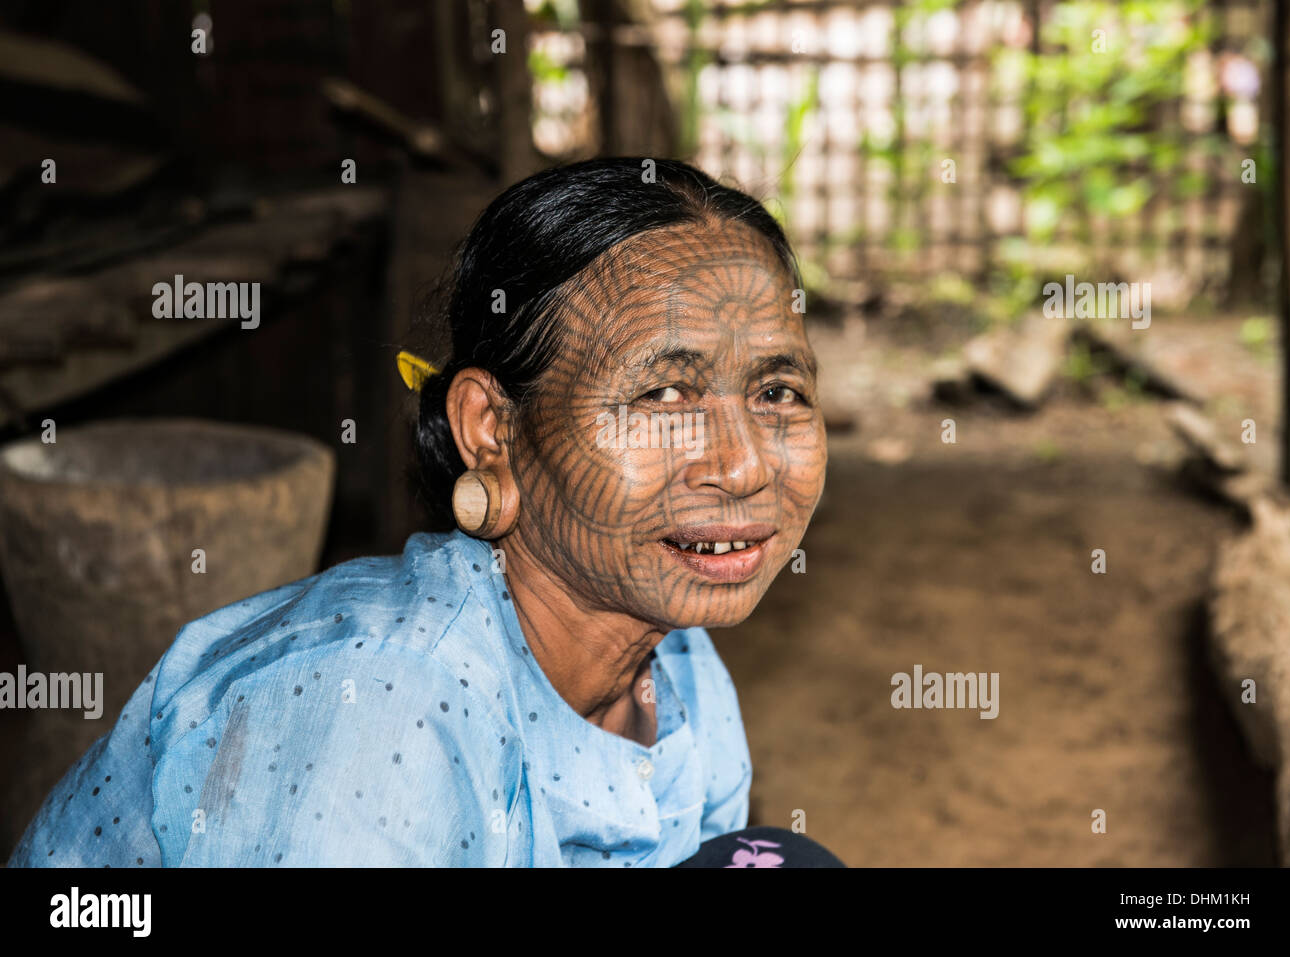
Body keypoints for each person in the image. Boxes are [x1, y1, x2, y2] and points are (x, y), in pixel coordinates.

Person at [9, 157, 838, 867]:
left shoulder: (680, 663)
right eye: (662, 394)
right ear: (493, 430)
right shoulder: (374, 705)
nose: (743, 463)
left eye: (777, 391)